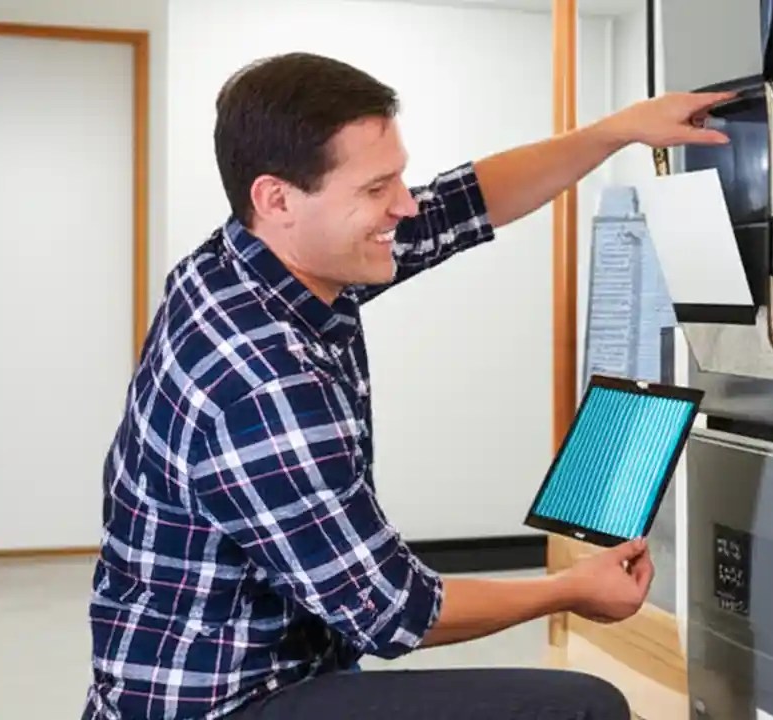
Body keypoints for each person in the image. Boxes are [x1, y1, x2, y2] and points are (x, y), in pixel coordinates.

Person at [82, 52, 731, 720]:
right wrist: (568, 590)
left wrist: (616, 130)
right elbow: (396, 612)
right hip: (221, 702)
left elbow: (463, 202)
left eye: (400, 176)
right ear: (276, 198)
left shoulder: (243, 263)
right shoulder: (261, 379)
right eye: (375, 189)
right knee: (580, 708)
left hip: (248, 666)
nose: (405, 204)